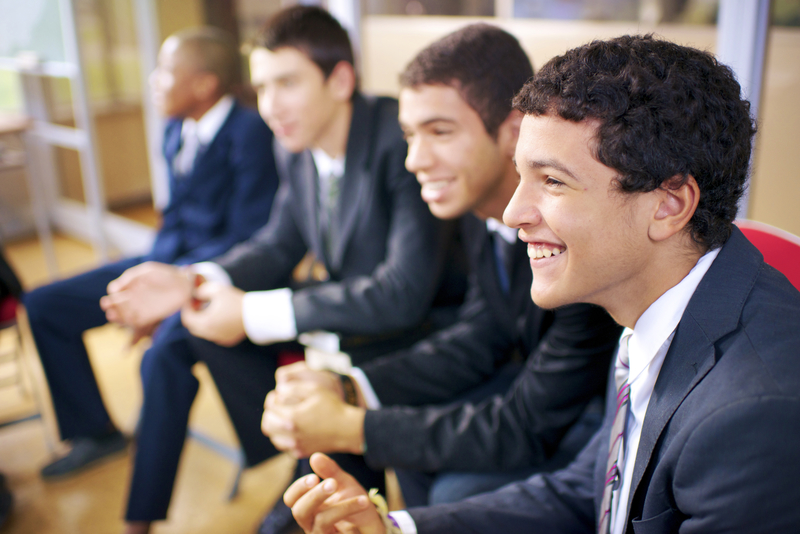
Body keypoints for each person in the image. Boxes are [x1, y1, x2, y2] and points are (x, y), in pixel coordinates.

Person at [283, 34, 800, 534]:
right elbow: (592, 490)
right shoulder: (653, 313)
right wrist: (395, 527)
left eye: (552, 181)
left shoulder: (753, 417)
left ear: (669, 204)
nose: (512, 213)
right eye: (521, 175)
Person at [100, 6, 462, 534]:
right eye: (261, 87)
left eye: (287, 83)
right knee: (182, 334)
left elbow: (401, 293)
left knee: (287, 518)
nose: (270, 107)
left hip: (417, 340)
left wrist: (250, 311)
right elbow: (278, 243)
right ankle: (163, 507)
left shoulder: (396, 139)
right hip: (346, 330)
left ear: (340, 79)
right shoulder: (296, 146)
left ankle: (308, 447)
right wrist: (192, 279)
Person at [262, 23, 621, 510]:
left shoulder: (572, 234)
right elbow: (482, 332)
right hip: (530, 390)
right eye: (410, 134)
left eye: (440, 132)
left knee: (444, 484)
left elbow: (530, 424)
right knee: (401, 437)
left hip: (598, 425)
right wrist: (350, 386)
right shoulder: (476, 209)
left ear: (513, 131)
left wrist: (355, 426)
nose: (415, 160)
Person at [24, 26, 279, 481]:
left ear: (204, 84)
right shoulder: (175, 128)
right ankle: (95, 431)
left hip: (215, 274)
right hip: (165, 260)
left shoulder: (250, 134)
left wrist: (170, 290)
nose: (153, 81)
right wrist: (146, 276)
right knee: (45, 303)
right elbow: (174, 215)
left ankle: (149, 473)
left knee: (159, 354)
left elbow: (249, 237)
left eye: (164, 71)